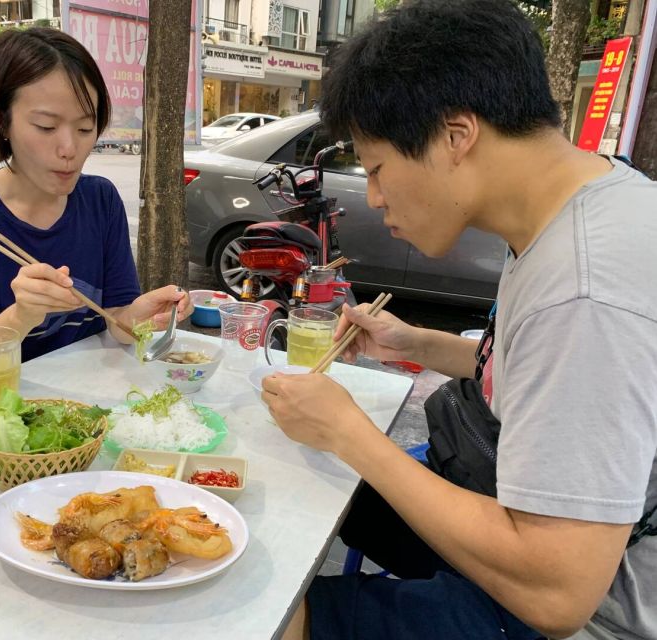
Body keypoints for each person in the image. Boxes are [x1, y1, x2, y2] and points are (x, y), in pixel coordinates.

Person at [262, 1, 657, 639]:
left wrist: (352, 435)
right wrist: (414, 342)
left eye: (379, 169)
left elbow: (558, 596)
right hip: (522, 510)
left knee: (276, 615)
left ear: (456, 135)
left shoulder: (587, 290)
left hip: (588, 607)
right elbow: (541, 374)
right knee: (319, 487)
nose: (376, 197)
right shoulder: (580, 204)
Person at [0, 27, 192, 390]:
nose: (69, 149)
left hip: (82, 407)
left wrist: (136, 319)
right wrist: (22, 316)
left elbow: (116, 320)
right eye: (46, 126)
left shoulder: (100, 200)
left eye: (84, 128)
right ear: (3, 122)